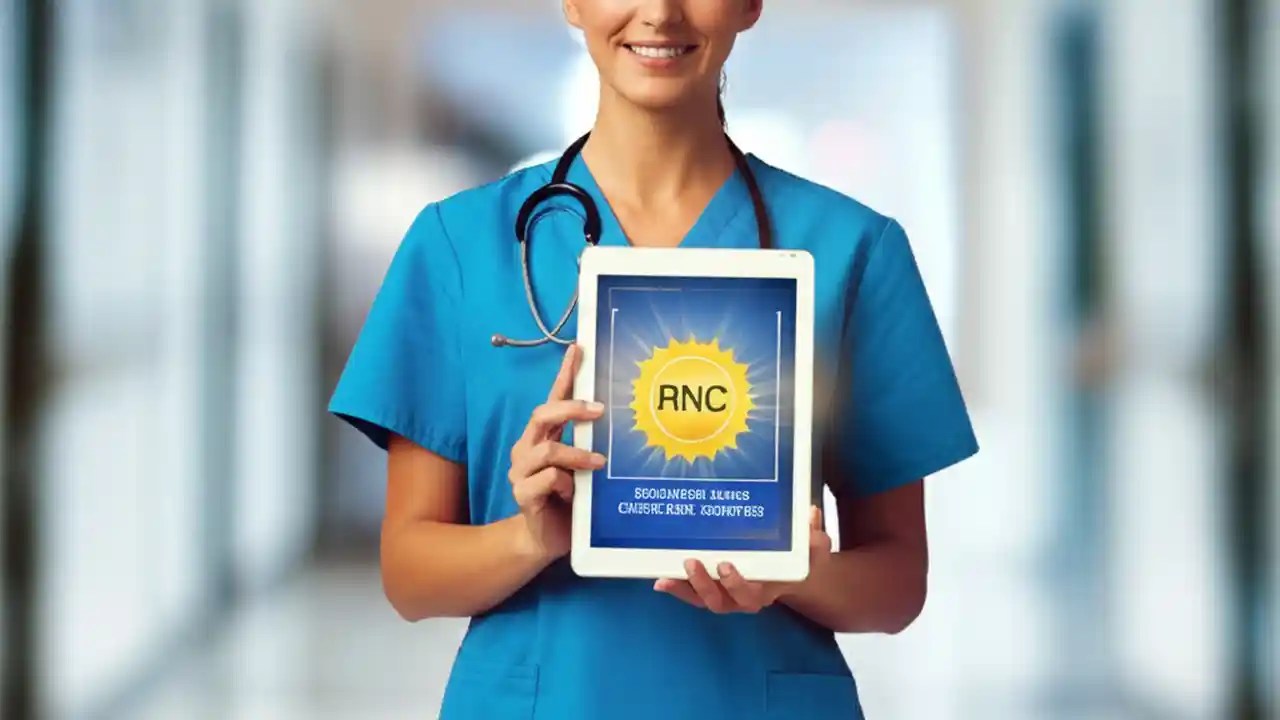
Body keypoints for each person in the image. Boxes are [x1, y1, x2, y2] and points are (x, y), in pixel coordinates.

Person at [328, 1, 978, 718]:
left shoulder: (850, 249)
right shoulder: (459, 245)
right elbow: (410, 575)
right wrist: (531, 537)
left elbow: (896, 584)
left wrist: (794, 573)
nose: (661, 13)